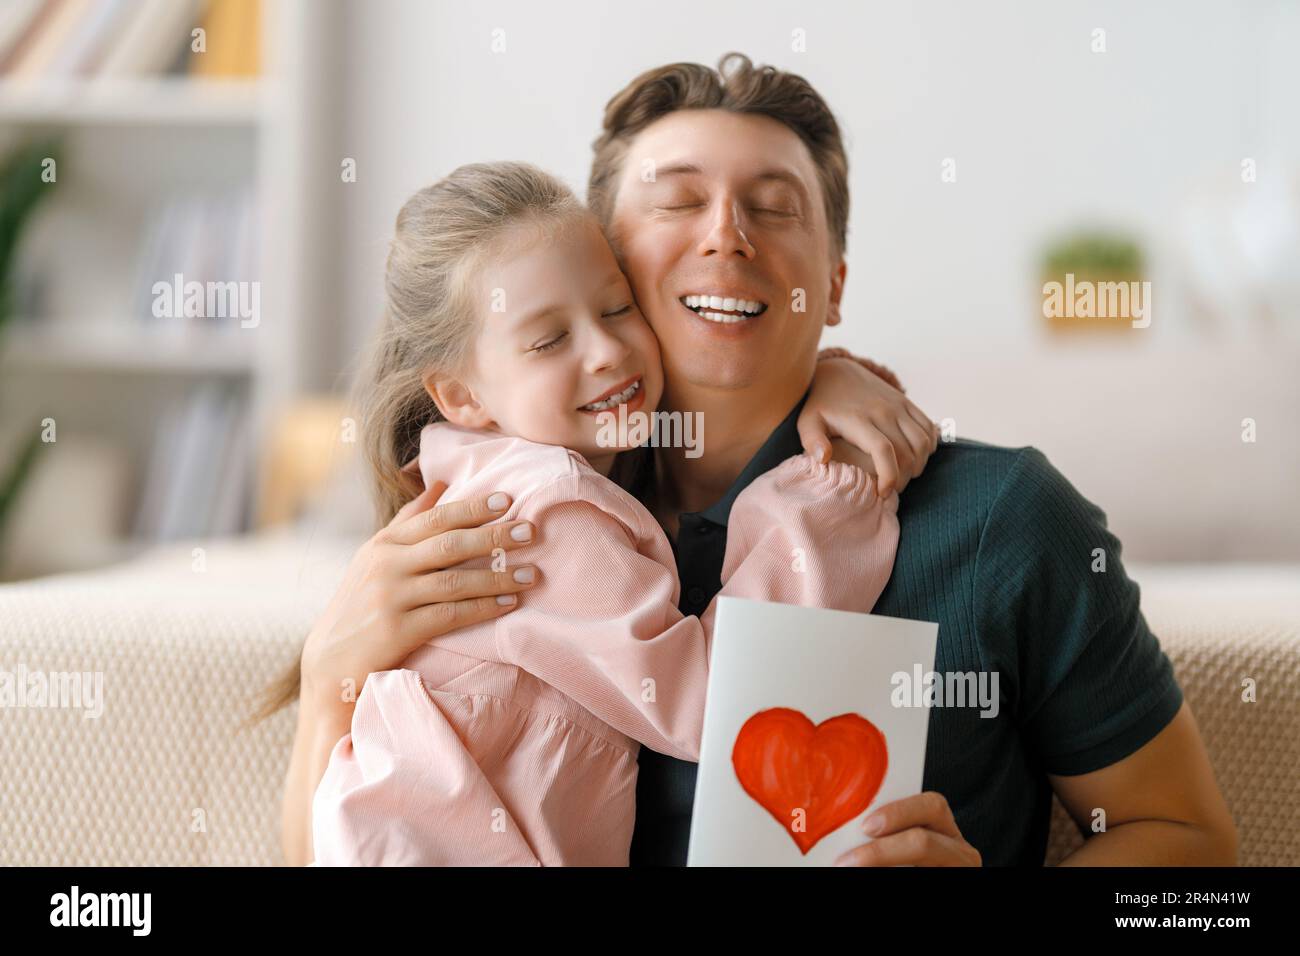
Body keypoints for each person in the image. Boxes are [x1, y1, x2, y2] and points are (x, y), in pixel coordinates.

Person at [279, 53, 1236, 867]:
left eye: (775, 208)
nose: (726, 234)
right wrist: (329, 681)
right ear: (602, 260)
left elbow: (1196, 855)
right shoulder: (494, 530)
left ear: (832, 287)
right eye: (678, 202)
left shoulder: (1008, 519)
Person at [308, 161, 906, 865]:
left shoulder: (482, 476)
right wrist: (823, 501)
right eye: (549, 340)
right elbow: (713, 705)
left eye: (617, 307)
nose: (607, 350)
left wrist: (827, 373)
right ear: (463, 397)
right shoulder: (545, 514)